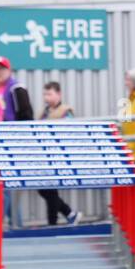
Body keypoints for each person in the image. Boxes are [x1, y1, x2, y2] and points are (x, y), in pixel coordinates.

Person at [36, 82, 81, 226]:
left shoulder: (66, 111)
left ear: (58, 94)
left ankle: (53, 224)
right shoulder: (43, 112)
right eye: (45, 94)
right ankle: (69, 214)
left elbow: (69, 131)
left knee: (49, 189)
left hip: (58, 156)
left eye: (49, 94)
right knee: (45, 189)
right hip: (44, 156)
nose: (46, 97)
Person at [0, 56, 32, 122]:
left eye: (2, 68)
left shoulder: (17, 89)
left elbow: (26, 117)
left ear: (9, 70)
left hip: (8, 131)